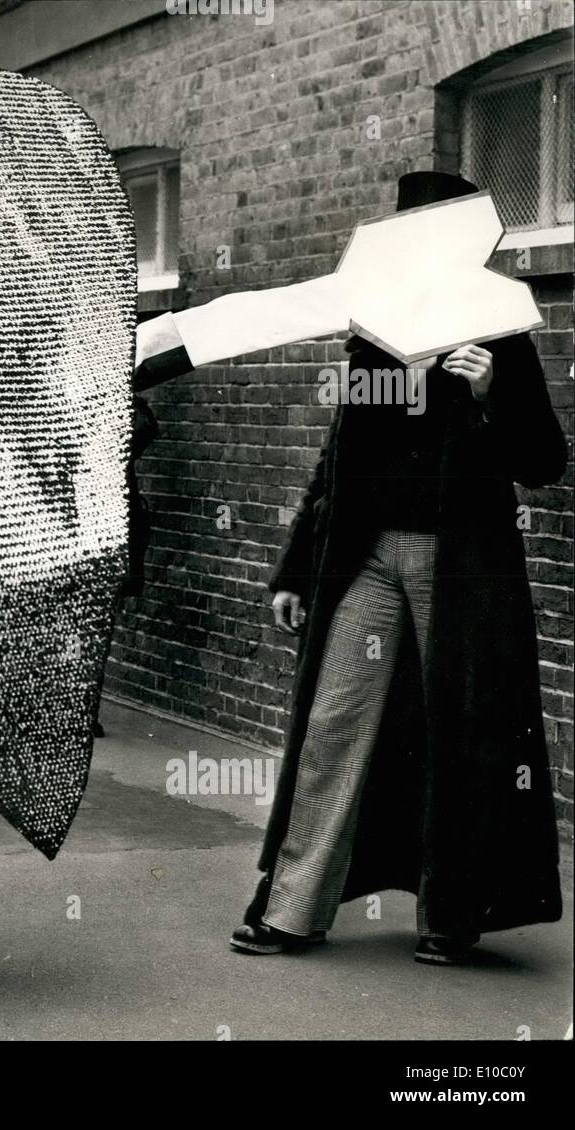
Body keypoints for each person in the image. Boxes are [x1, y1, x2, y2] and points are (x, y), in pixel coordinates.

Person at [230, 171, 566, 965]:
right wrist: (296, 570)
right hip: (370, 561)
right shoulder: (372, 333)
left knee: (465, 737)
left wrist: (490, 397)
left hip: (461, 568)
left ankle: (453, 917)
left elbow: (545, 460)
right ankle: (291, 910)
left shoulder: (499, 334)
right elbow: (336, 464)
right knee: (332, 725)